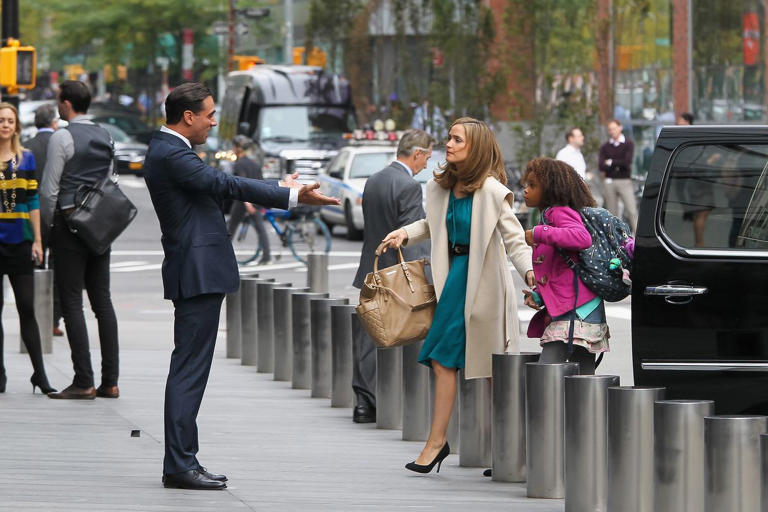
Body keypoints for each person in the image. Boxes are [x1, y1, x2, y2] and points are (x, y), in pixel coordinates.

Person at [143, 82, 339, 491]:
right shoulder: (170, 152)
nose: (215, 122)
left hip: (198, 269)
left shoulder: (173, 151)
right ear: (189, 116)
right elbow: (225, 185)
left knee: (191, 368)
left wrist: (283, 188)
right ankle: (180, 464)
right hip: (196, 271)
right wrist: (291, 194)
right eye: (210, 114)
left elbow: (217, 191)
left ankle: (184, 459)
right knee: (189, 370)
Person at [381, 117, 534, 473]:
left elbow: (514, 239)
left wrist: (529, 273)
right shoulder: (442, 188)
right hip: (454, 280)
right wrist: (404, 233)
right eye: (449, 138)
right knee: (441, 358)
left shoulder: (493, 191)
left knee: (495, 370)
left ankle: (511, 452)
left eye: (456, 140)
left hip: (484, 284)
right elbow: (433, 224)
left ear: (475, 148)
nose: (448, 144)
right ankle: (437, 441)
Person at [40, 81, 121, 400]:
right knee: (103, 301)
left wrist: (48, 228)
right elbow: (111, 178)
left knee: (72, 300)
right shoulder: (106, 134)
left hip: (69, 224)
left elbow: (49, 191)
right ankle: (110, 381)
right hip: (99, 225)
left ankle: (83, 379)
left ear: (66, 103)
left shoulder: (62, 136)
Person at [351, 128, 434, 423]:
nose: (427, 164)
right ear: (417, 154)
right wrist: (423, 277)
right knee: (410, 332)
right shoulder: (409, 186)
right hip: (397, 276)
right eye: (427, 157)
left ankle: (363, 402)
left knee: (368, 334)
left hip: (370, 271)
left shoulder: (374, 179)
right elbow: (410, 235)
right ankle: (405, 401)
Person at [521, 158, 609, 375]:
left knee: (548, 370)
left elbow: (581, 237)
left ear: (550, 189)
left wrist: (540, 232)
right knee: (583, 374)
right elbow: (559, 271)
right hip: (578, 306)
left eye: (532, 185)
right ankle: (585, 409)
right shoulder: (549, 215)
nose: (525, 190)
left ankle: (547, 409)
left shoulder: (558, 212)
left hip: (580, 310)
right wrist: (540, 296)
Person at [0, 102, 56, 395]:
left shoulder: (27, 159)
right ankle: (0, 374)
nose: (5, 125)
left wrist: (37, 240)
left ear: (16, 127)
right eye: (1, 120)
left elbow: (33, 201)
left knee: (27, 309)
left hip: (20, 243)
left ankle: (40, 375)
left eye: (10, 121)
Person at [24, 103, 64, 337]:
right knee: (58, 269)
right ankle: (53, 320)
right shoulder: (62, 143)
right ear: (54, 122)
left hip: (32, 215)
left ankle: (32, 318)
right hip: (57, 215)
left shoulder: (26, 148)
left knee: (33, 268)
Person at [226, 135, 272, 264]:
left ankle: (222, 256)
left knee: (231, 228)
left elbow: (243, 183)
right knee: (260, 229)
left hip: (244, 201)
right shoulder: (254, 164)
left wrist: (248, 204)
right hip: (256, 199)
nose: (233, 149)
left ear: (238, 148)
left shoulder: (239, 164)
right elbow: (261, 182)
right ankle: (267, 256)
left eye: (234, 147)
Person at [598, 119, 638, 232]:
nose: (612, 131)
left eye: (614, 128)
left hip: (624, 181)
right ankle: (615, 238)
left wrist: (610, 162)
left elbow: (627, 163)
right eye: (610, 129)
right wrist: (617, 164)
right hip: (609, 181)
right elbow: (601, 166)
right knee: (612, 213)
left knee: (632, 210)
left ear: (620, 128)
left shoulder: (628, 144)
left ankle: (639, 237)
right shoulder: (605, 147)